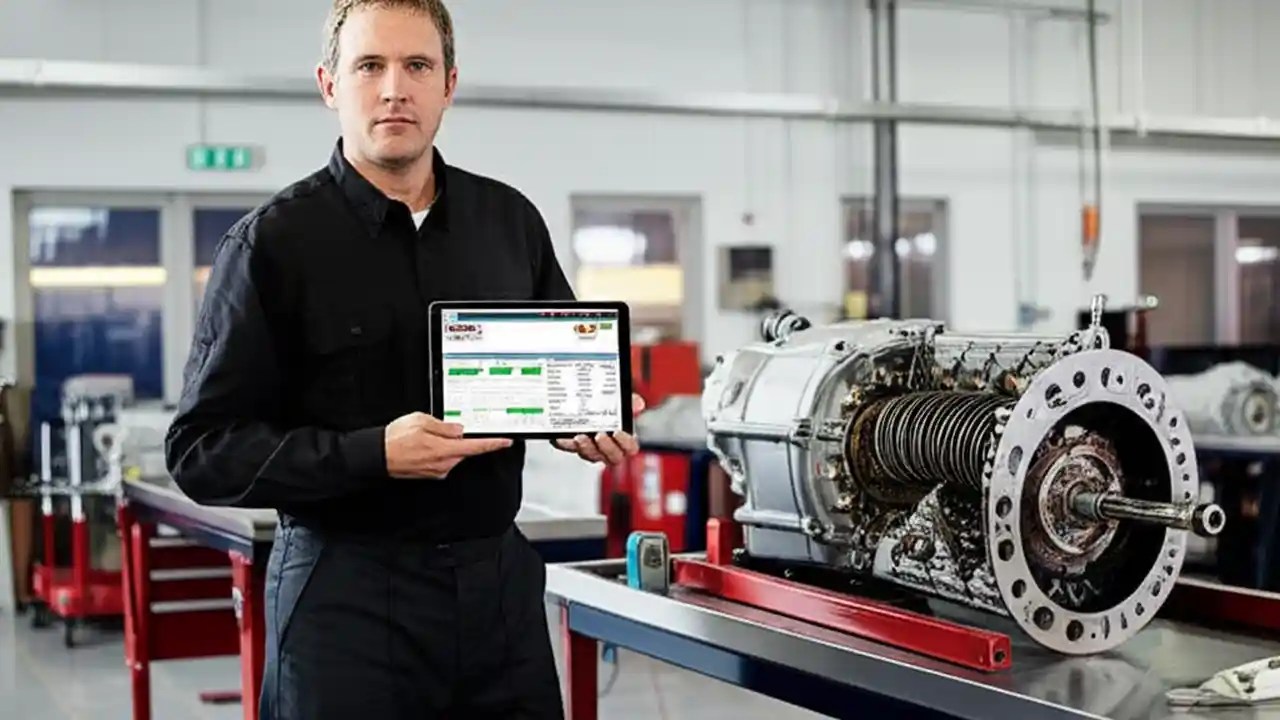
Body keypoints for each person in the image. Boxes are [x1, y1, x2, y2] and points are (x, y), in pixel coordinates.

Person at [164, 1, 644, 717]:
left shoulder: (508, 222)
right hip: (345, 595)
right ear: (329, 85)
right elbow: (202, 451)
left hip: (498, 595)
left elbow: (554, 368)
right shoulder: (273, 246)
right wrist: (371, 455)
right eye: (370, 66)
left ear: (449, 83)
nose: (396, 88)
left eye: (418, 65)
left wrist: (583, 416)